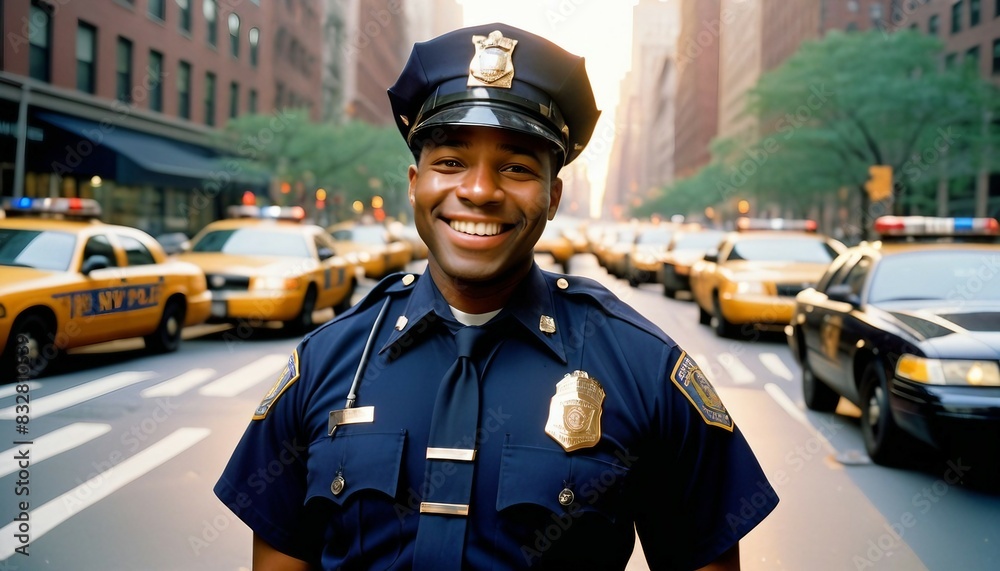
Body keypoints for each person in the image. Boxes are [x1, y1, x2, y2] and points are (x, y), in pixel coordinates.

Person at [214, 22, 778, 570]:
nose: (479, 190)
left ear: (553, 197)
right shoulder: (327, 361)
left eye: (515, 167)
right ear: (415, 186)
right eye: (451, 162)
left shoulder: (645, 369)